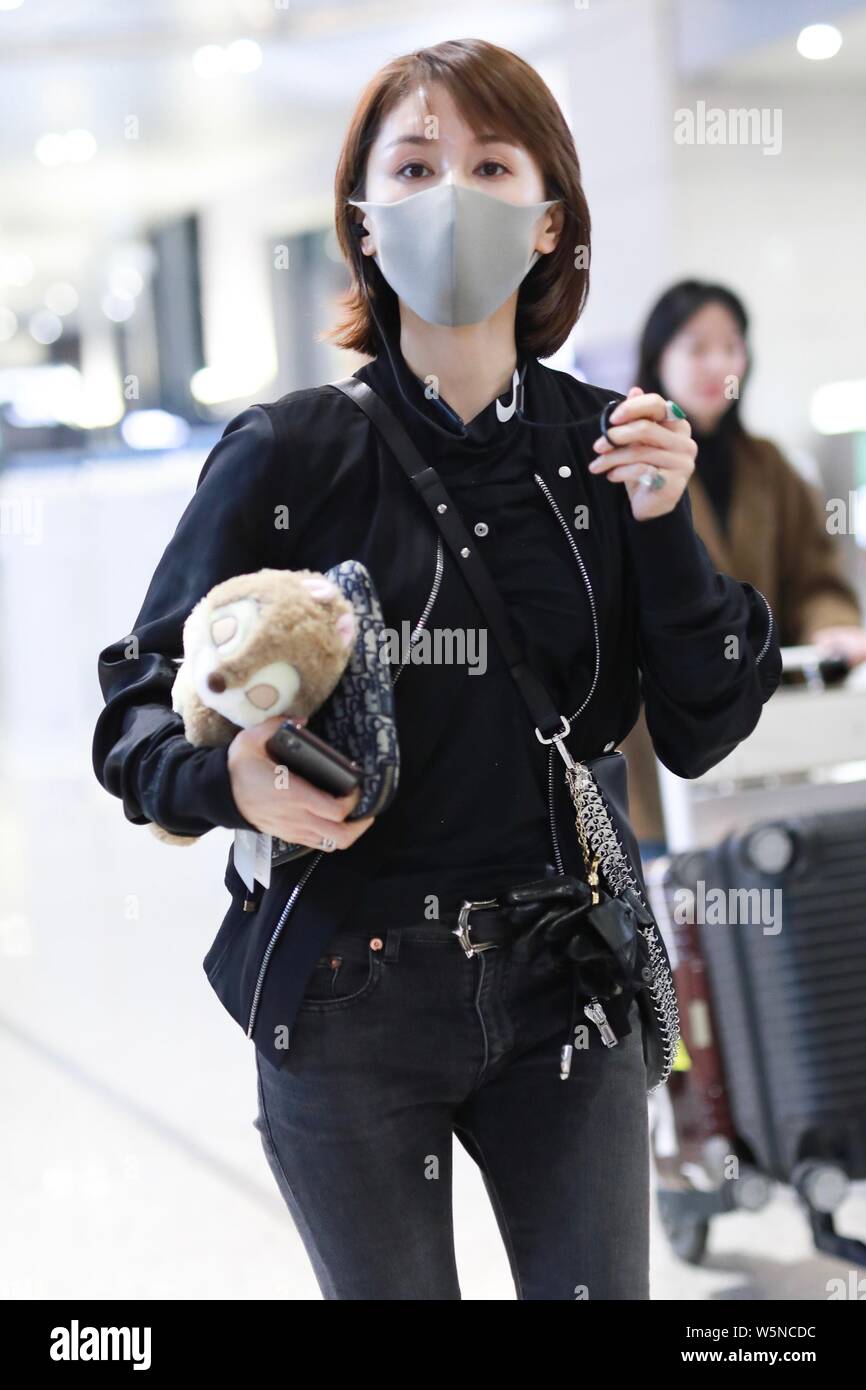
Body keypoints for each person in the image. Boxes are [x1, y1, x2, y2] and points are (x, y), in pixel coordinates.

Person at [92, 39, 782, 1300]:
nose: (450, 191)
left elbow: (702, 725)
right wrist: (231, 783)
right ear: (363, 217)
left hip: (557, 984)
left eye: (488, 162)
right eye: (412, 165)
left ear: (545, 219)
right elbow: (135, 706)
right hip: (345, 989)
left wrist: (664, 526)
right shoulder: (288, 454)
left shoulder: (608, 446)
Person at [617, 280, 866, 855]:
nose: (718, 364)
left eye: (731, 347)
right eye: (697, 347)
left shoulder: (770, 466)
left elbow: (815, 576)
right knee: (675, 913)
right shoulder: (628, 460)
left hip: (760, 747)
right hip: (649, 751)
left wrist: (831, 623)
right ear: (659, 355)